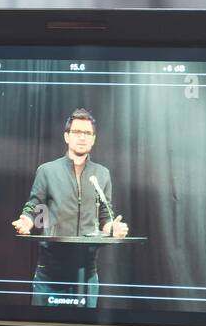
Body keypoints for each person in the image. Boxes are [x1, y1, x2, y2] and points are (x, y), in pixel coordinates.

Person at [12, 108, 129, 308]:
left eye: (87, 133)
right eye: (76, 132)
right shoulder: (47, 171)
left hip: (86, 276)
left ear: (93, 139)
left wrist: (113, 229)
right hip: (50, 275)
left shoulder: (102, 174)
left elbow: (104, 217)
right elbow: (33, 207)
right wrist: (26, 221)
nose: (82, 137)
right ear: (67, 136)